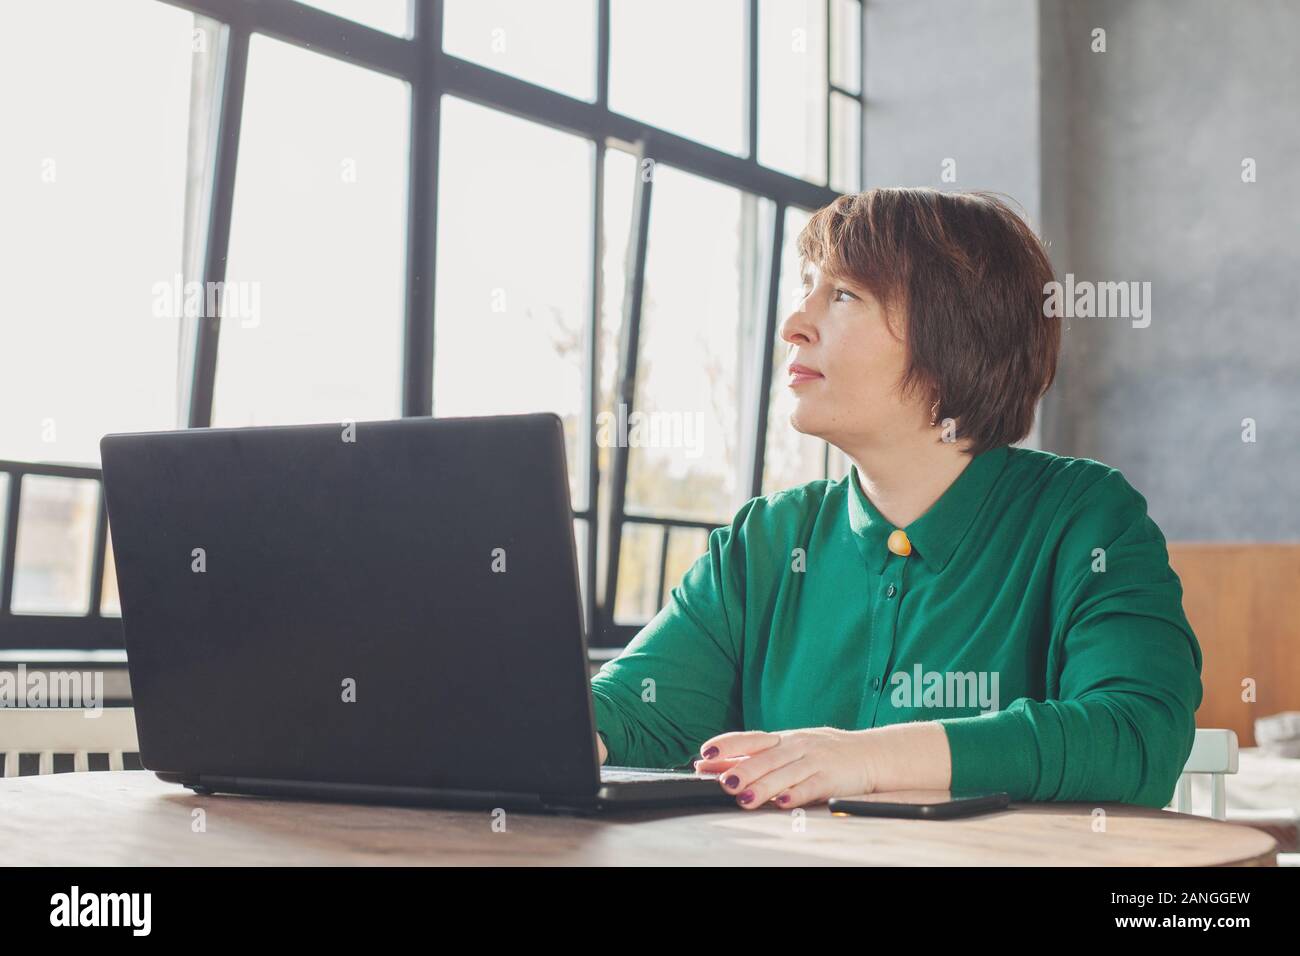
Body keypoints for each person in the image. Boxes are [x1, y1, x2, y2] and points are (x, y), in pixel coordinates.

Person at [590, 187, 1203, 811]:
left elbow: (1136, 736)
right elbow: (636, 713)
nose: (794, 325)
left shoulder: (1086, 517)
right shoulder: (766, 541)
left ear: (954, 336)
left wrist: (863, 758)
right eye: (808, 288)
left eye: (843, 295)